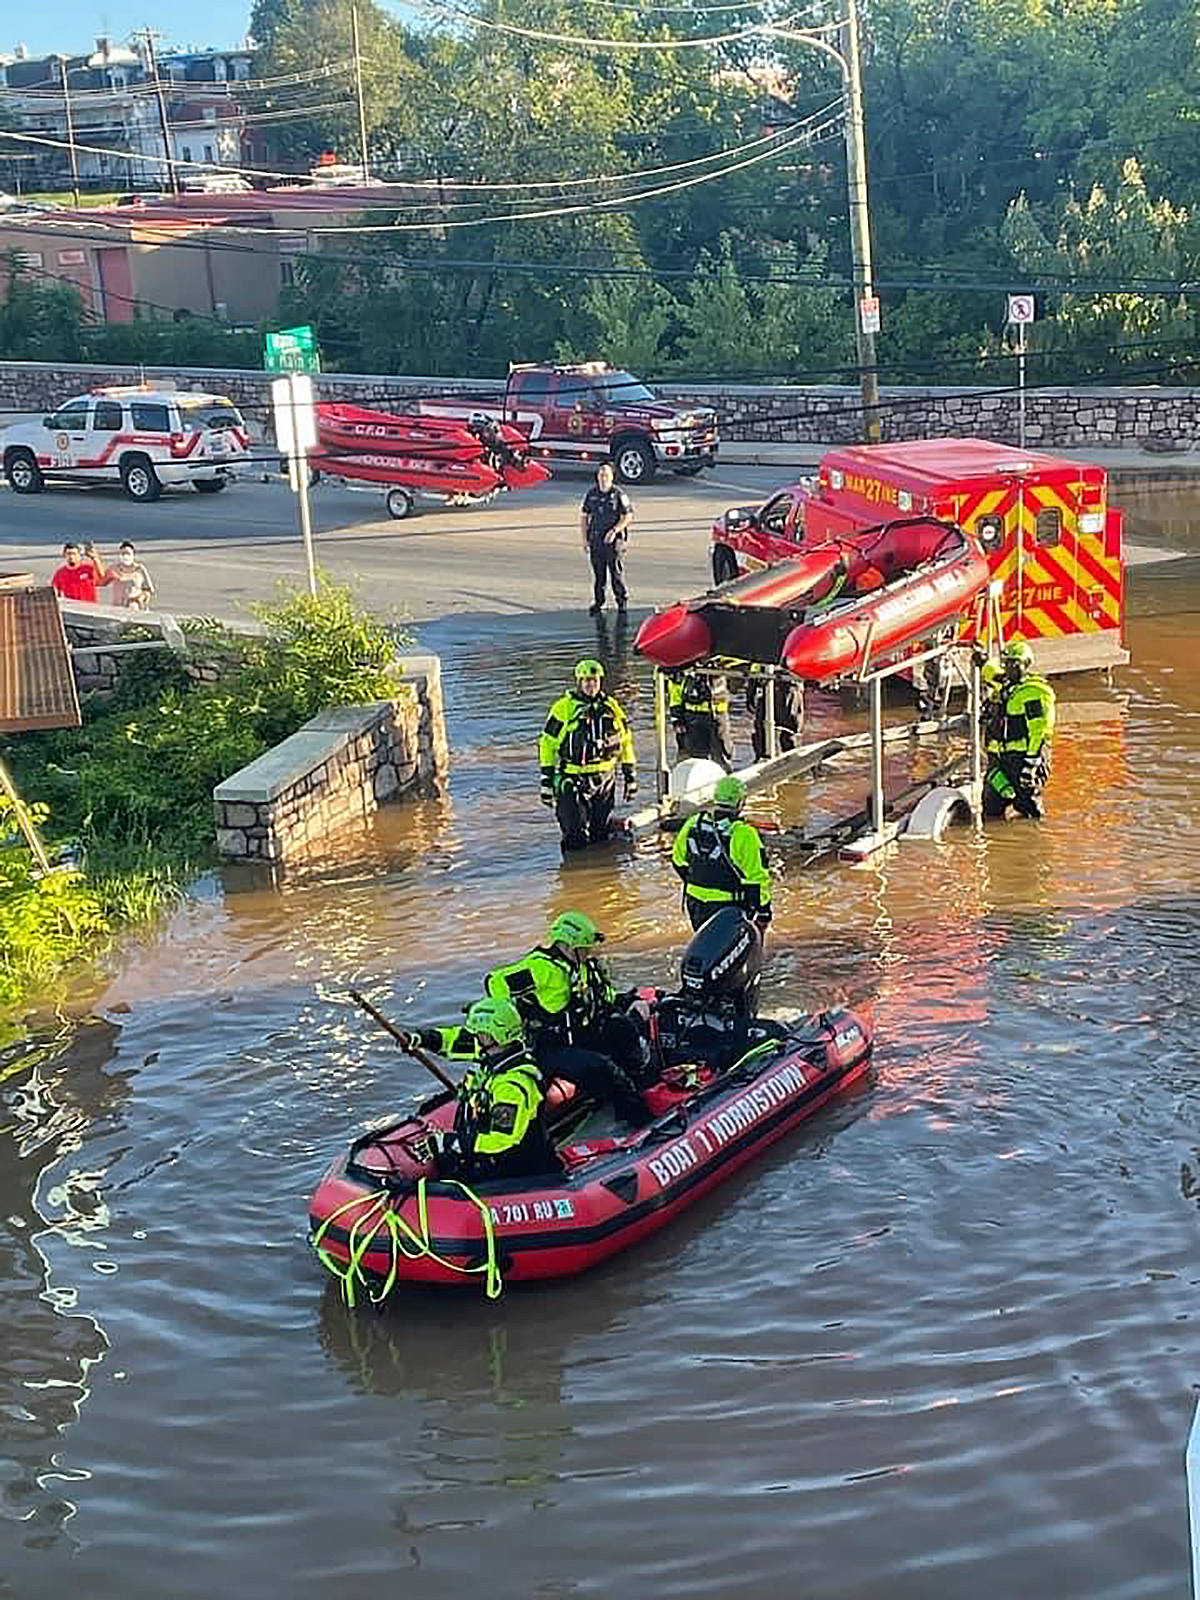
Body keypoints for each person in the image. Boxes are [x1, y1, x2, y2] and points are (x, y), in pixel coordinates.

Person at [486, 910, 651, 1125]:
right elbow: (494, 983)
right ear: (569, 947)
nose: (589, 952)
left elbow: (602, 998)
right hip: (551, 1048)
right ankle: (640, 1121)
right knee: (601, 1067)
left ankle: (638, 1081)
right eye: (584, 948)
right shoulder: (542, 968)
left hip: (580, 1035)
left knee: (623, 1029)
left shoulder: (582, 967)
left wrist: (629, 1001)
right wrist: (516, 1012)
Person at [408, 997, 559, 1181]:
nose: (475, 1037)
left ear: (492, 1035)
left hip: (514, 1168)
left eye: (479, 1033)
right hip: (487, 1156)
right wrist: (422, 1039)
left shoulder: (511, 1086)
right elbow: (453, 1040)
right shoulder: (494, 1053)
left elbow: (501, 1140)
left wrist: (450, 1143)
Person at [539, 658, 637, 851]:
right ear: (579, 682)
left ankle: (600, 874)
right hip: (574, 778)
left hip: (605, 779)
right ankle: (571, 872)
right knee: (574, 832)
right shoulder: (563, 708)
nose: (590, 685)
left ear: (600, 681)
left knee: (600, 832)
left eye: (594, 680)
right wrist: (546, 782)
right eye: (586, 681)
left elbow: (625, 741)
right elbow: (547, 744)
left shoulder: (612, 707)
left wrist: (630, 777)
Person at [671, 774, 773, 932]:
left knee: (706, 944)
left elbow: (678, 860)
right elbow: (757, 879)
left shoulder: (694, 822)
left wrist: (699, 880)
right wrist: (764, 913)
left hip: (695, 905)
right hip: (729, 908)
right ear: (741, 802)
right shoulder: (744, 834)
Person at [981, 640, 1056, 819]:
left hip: (1023, 760)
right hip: (1000, 759)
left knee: (1028, 809)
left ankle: (1033, 841)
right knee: (991, 806)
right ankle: (995, 843)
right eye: (1007, 663)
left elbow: (1039, 731)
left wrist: (1030, 765)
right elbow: (990, 672)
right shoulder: (1006, 685)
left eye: (1015, 664)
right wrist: (983, 659)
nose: (1010, 668)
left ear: (1026, 665)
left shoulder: (1033, 692)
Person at [581, 462, 632, 616]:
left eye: (606, 475)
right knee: (599, 575)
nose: (603, 478)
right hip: (596, 539)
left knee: (616, 573)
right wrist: (584, 539)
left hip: (613, 541)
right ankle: (599, 602)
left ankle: (621, 602)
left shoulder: (618, 495)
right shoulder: (592, 494)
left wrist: (615, 530)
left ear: (612, 477)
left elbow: (628, 516)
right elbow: (584, 517)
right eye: (600, 474)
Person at [668, 668, 733, 768]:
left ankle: (725, 777)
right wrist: (676, 718)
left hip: (716, 715)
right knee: (692, 759)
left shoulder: (717, 663)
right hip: (690, 717)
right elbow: (675, 692)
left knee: (721, 755)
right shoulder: (679, 669)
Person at [745, 667, 805, 761]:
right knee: (761, 732)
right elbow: (755, 665)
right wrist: (751, 689)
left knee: (789, 733)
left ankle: (794, 763)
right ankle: (762, 760)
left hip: (788, 684)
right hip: (765, 684)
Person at [106, 542, 155, 610]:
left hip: (135, 609)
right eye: (123, 554)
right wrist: (95, 558)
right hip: (117, 609)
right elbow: (101, 579)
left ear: (133, 554)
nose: (125, 556)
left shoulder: (139, 569)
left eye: (128, 553)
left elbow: (149, 591)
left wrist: (138, 599)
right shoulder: (114, 568)